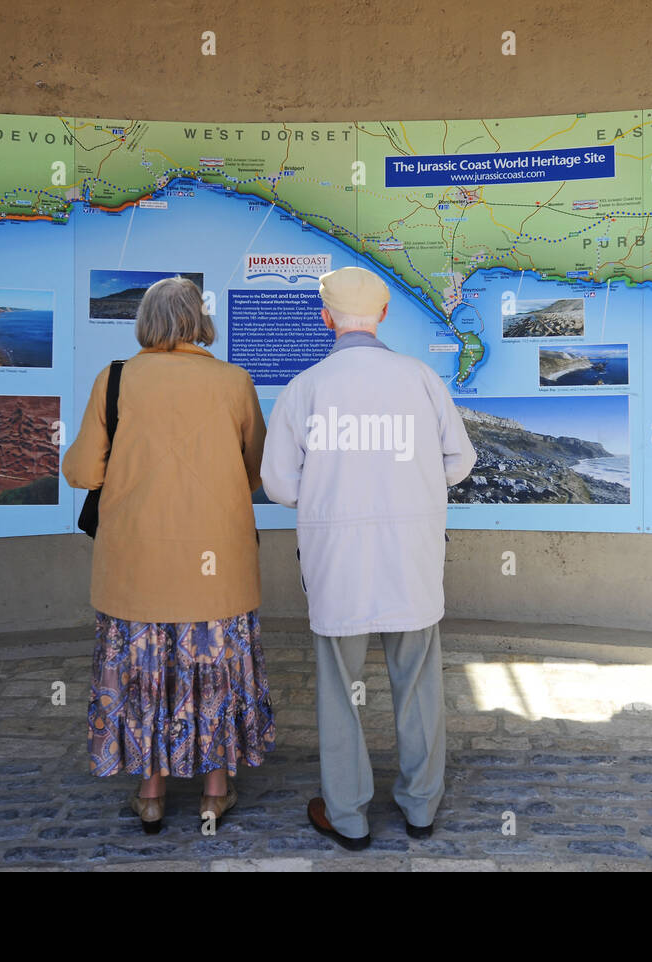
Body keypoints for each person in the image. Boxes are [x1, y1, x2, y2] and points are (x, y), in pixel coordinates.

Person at [260, 266, 476, 850]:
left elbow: (279, 483)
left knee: (338, 687)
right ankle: (421, 809)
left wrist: (335, 492)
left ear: (325, 318)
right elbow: (459, 461)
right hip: (412, 554)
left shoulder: (306, 387)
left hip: (338, 558)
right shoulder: (420, 378)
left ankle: (349, 816)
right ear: (382, 315)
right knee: (418, 684)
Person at [62, 276, 274, 834]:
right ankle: (213, 793)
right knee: (216, 673)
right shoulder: (234, 381)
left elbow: (84, 472)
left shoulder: (116, 379)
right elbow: (255, 472)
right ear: (199, 321)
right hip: (216, 565)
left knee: (146, 674)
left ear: (146, 321)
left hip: (138, 567)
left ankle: (152, 794)